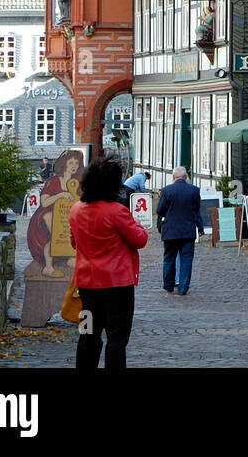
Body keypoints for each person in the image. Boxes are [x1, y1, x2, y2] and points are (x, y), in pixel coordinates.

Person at [68, 157, 148, 368]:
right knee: (117, 338)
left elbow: (74, 242)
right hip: (117, 286)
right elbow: (139, 240)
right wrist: (137, 224)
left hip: (86, 286)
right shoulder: (117, 212)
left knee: (87, 335)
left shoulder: (76, 210)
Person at [28, 149, 85, 278]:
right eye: (71, 163)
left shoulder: (79, 181)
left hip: (69, 212)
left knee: (75, 232)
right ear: (64, 164)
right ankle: (48, 267)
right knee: (57, 234)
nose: (74, 166)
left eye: (76, 162)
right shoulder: (53, 181)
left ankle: (71, 258)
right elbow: (44, 202)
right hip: (48, 211)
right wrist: (61, 195)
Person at [156, 166, 204, 297]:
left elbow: (160, 210)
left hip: (170, 230)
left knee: (169, 258)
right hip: (187, 230)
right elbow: (196, 209)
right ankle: (183, 287)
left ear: (173, 177)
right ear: (186, 177)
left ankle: (168, 285)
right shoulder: (194, 190)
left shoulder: (166, 191)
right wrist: (200, 228)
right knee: (186, 259)